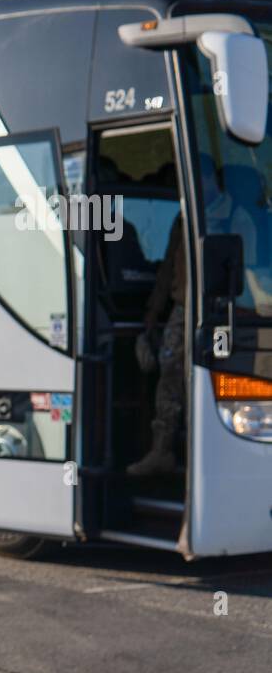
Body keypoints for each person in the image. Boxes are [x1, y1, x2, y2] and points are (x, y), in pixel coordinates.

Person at [129, 153, 256, 476]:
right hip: (183, 310)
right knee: (170, 371)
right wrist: (153, 312)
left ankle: (211, 453)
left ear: (214, 180)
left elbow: (252, 272)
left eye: (205, 179)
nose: (201, 185)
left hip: (222, 312)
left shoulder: (236, 217)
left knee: (214, 381)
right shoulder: (185, 219)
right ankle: (163, 450)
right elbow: (168, 271)